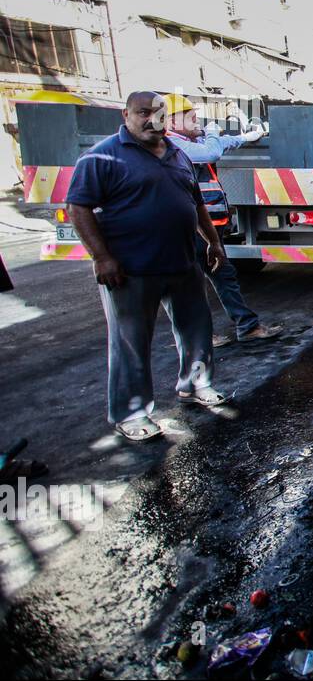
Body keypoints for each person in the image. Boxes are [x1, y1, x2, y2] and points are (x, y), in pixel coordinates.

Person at [66, 90, 228, 442]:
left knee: (196, 330)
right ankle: (132, 413)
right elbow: (78, 208)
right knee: (131, 342)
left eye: (158, 113)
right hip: (131, 270)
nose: (151, 119)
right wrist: (102, 257)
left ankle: (196, 385)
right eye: (143, 112)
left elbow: (195, 202)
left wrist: (213, 242)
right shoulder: (102, 158)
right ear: (125, 115)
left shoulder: (177, 153)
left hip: (183, 263)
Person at [159, 93, 283, 346]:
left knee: (223, 274)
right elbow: (210, 152)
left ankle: (246, 326)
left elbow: (222, 144)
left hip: (208, 227)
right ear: (170, 123)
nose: (198, 121)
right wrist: (215, 132)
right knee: (189, 283)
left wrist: (247, 137)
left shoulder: (190, 140)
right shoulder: (171, 145)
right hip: (185, 228)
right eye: (191, 118)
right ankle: (198, 335)